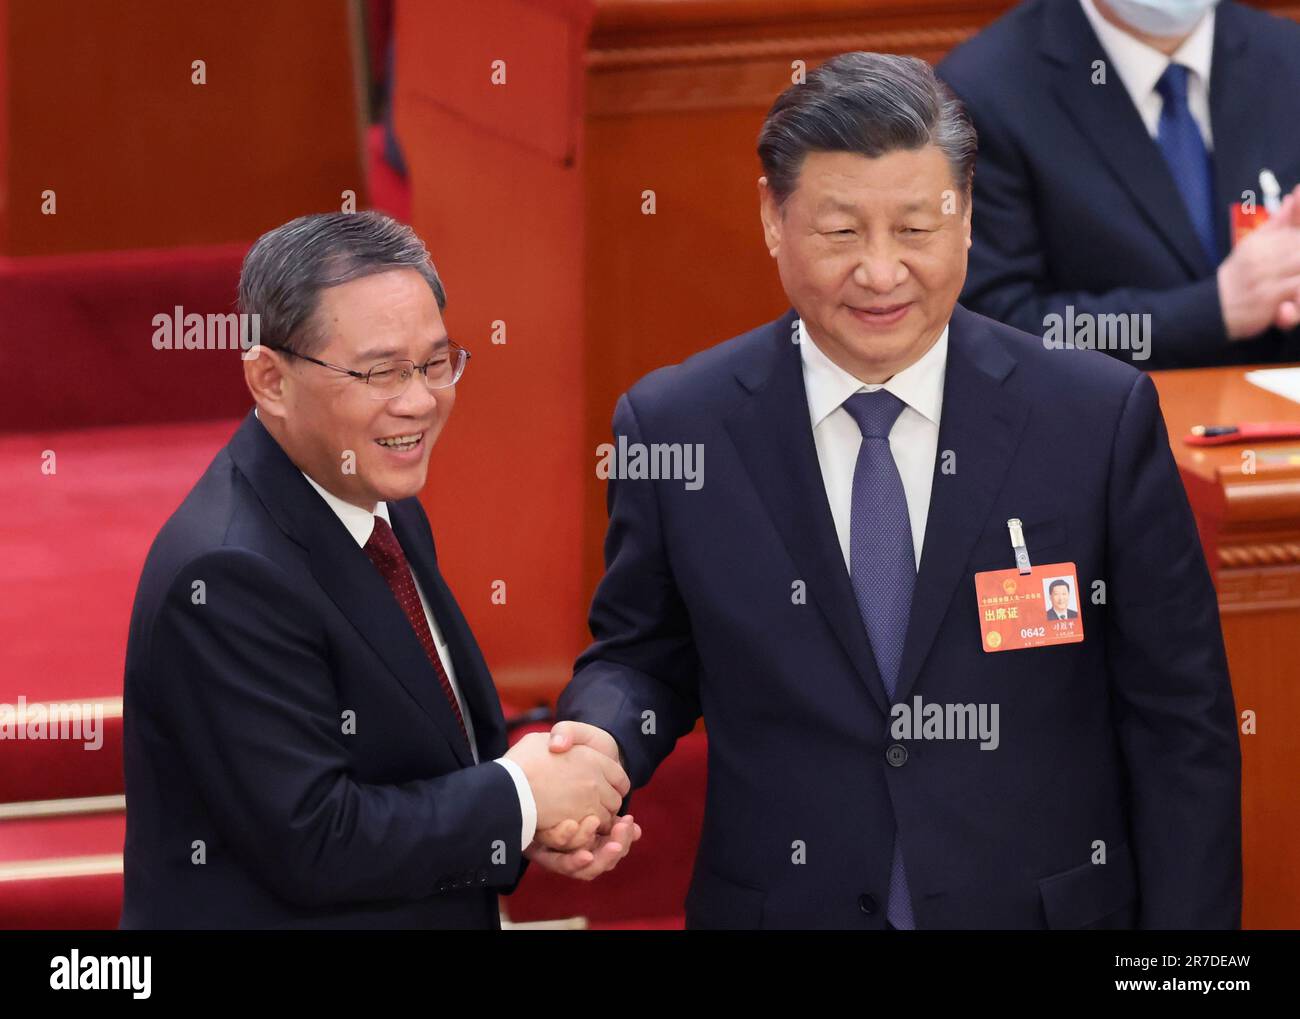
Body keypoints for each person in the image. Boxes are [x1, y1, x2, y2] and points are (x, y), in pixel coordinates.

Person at [551, 53, 1240, 929]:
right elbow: (643, 653)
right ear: (772, 216)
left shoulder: (1094, 418)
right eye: (841, 232)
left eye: (916, 228)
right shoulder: (676, 425)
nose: (881, 274)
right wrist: (601, 740)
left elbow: (1182, 729)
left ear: (965, 219)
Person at [121, 212, 637, 929]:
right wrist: (521, 799)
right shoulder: (226, 574)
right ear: (270, 378)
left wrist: (538, 818)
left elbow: (423, 743)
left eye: (434, 362)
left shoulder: (374, 496)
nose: (420, 400)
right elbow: (317, 839)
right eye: (380, 370)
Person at [937, 0, 1300, 369]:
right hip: (1101, 412)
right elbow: (1003, 324)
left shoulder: (1288, 55)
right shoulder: (986, 90)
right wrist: (1213, 310)